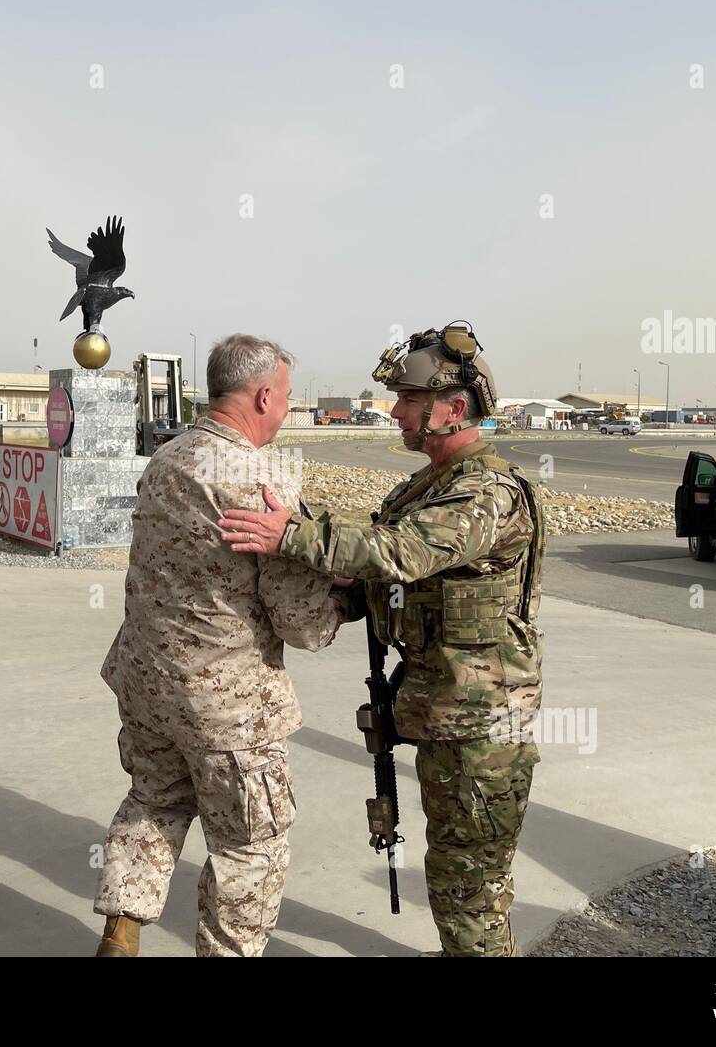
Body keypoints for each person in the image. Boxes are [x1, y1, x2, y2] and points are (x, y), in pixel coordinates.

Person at [218, 322, 544, 957]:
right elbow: (375, 561)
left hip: (481, 725)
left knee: (468, 881)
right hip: (442, 709)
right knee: (452, 868)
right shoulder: (425, 486)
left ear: (453, 411)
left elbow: (403, 552)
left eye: (409, 402)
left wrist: (292, 536)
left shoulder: (488, 491)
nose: (396, 412)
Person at [94, 334, 346, 957]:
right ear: (263, 396)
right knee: (250, 845)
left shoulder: (168, 458)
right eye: (286, 399)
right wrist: (340, 596)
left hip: (148, 685)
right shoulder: (263, 481)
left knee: (154, 803)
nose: (286, 411)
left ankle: (120, 937)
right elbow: (303, 624)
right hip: (228, 706)